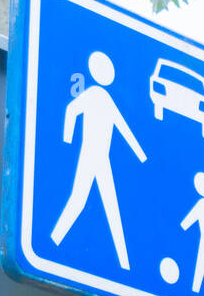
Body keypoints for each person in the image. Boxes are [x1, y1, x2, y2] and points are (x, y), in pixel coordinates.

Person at [50, 51, 146, 270]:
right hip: (88, 154)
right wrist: (67, 139)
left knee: (111, 206)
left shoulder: (106, 98)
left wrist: (140, 154)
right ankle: (54, 240)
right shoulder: (93, 93)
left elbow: (123, 128)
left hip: (102, 159)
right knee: (79, 201)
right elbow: (71, 109)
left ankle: (124, 262)